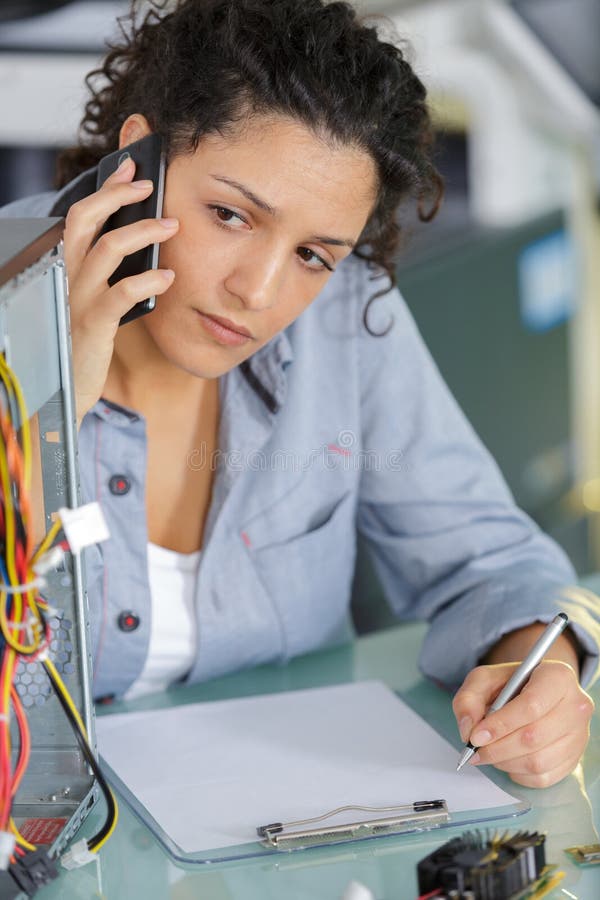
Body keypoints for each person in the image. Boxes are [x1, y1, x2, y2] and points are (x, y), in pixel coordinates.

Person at [1, 0, 598, 789]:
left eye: (315, 253)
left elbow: (488, 559)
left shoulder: (346, 316)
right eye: (229, 214)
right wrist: (44, 411)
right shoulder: (9, 304)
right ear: (134, 165)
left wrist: (541, 671)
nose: (259, 291)